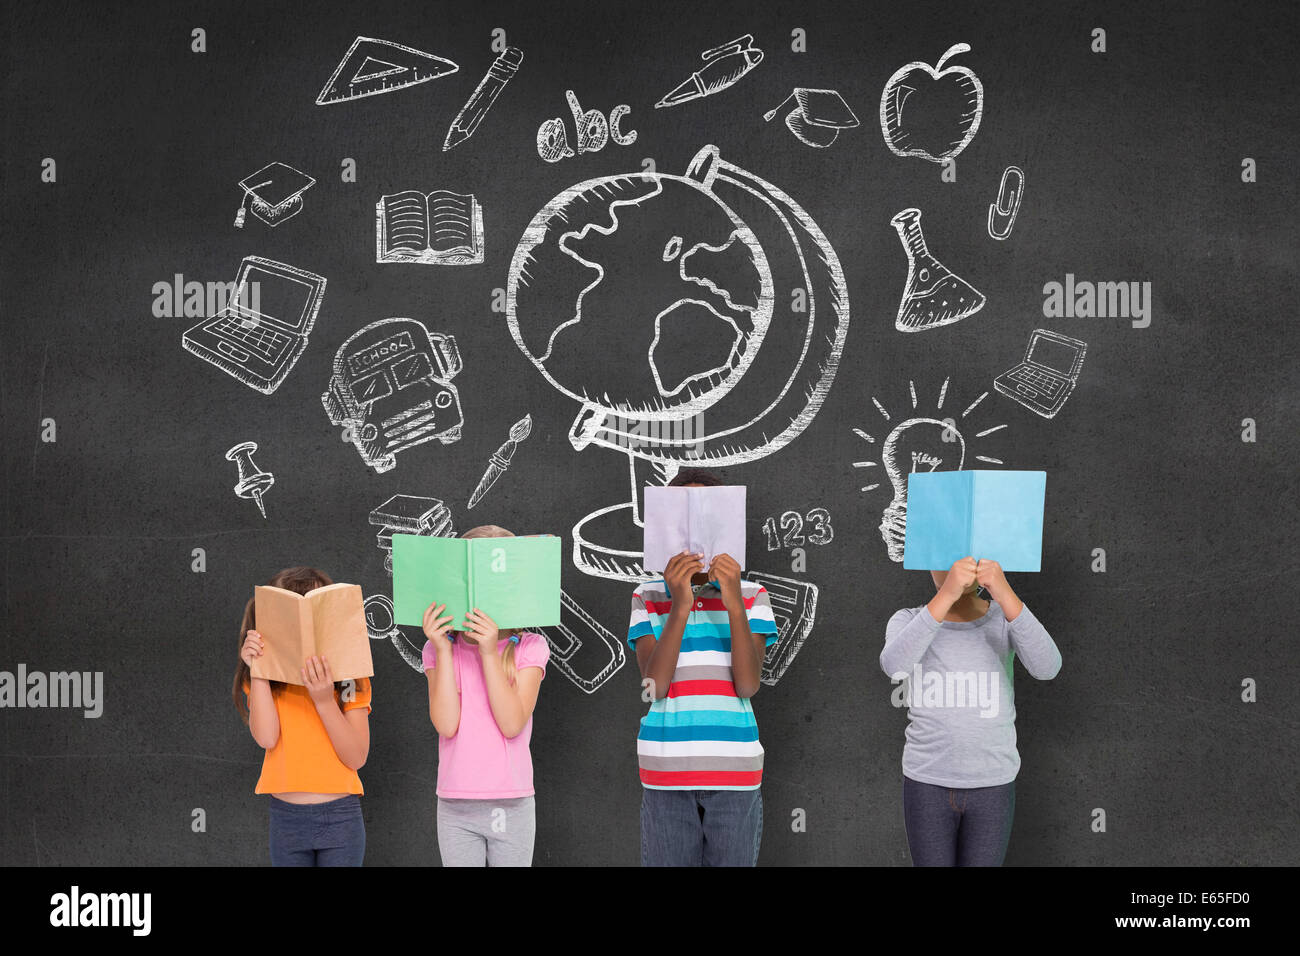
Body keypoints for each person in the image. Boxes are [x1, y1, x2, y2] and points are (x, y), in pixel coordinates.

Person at [629, 468, 778, 866]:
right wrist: (679, 605)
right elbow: (653, 687)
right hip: (666, 773)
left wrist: (732, 603)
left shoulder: (753, 596)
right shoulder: (646, 597)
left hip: (734, 771)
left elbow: (747, 685)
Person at [880, 556, 1061, 866]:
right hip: (927, 782)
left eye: (966, 556)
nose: (957, 567)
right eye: (942, 558)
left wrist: (1003, 592)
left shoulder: (1004, 620)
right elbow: (894, 667)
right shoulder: (908, 619)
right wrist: (947, 593)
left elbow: (1048, 667)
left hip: (993, 783)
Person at [423, 525, 550, 866]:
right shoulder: (437, 650)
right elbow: (446, 724)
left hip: (511, 803)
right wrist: (442, 650)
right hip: (455, 805)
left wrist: (490, 653)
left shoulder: (531, 648)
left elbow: (511, 724)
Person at [234, 566, 371, 867]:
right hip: (286, 819)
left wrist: (324, 701)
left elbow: (356, 756)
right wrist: (259, 671)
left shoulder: (349, 675)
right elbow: (266, 737)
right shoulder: (264, 680)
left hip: (340, 818)